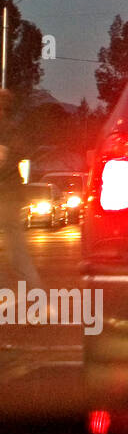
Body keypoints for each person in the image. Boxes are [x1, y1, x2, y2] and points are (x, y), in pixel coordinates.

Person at [0, 88, 44, 288]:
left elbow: (3, 159)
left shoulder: (5, 130)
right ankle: (31, 283)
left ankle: (31, 283)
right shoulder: (11, 129)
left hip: (6, 194)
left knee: (16, 246)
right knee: (16, 245)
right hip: (10, 194)